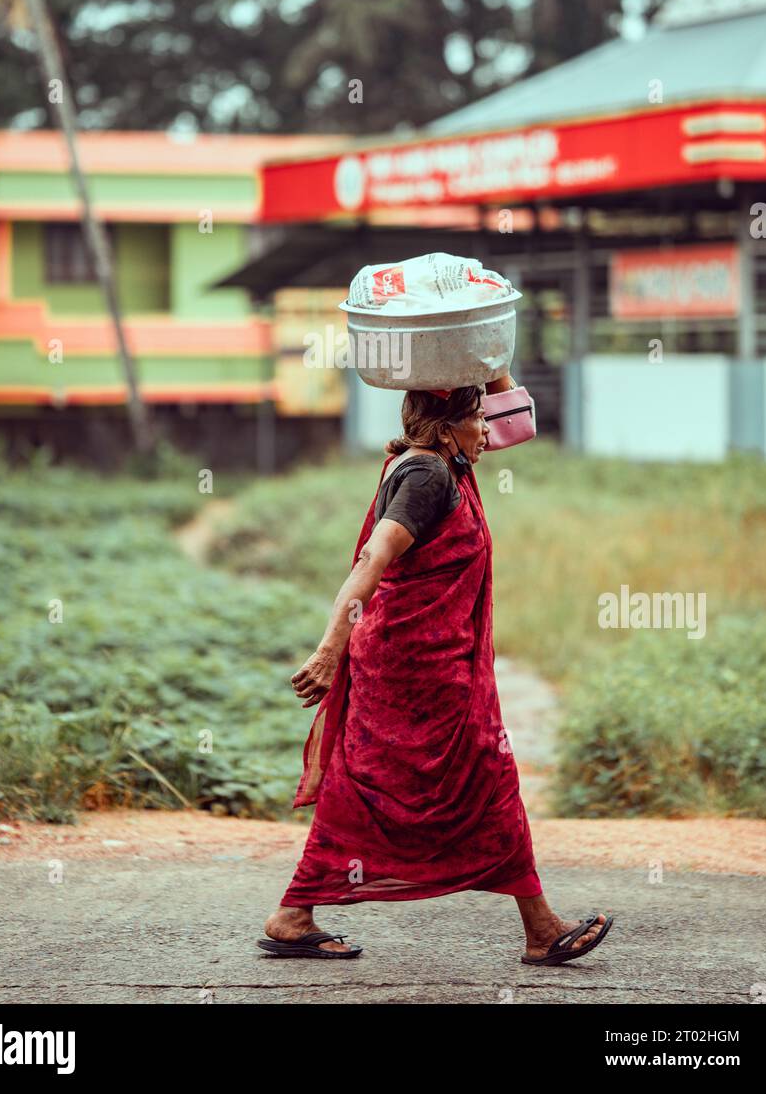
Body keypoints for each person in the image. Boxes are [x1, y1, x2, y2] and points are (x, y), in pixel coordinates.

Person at [258, 374, 613, 965]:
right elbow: (372, 558)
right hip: (414, 670)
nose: (487, 430)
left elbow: (518, 424)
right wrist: (328, 649)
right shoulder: (427, 476)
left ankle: (296, 913)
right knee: (475, 777)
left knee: (378, 784)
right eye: (476, 418)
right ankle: (541, 928)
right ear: (448, 428)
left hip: (425, 665)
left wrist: (489, 361)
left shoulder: (448, 460)